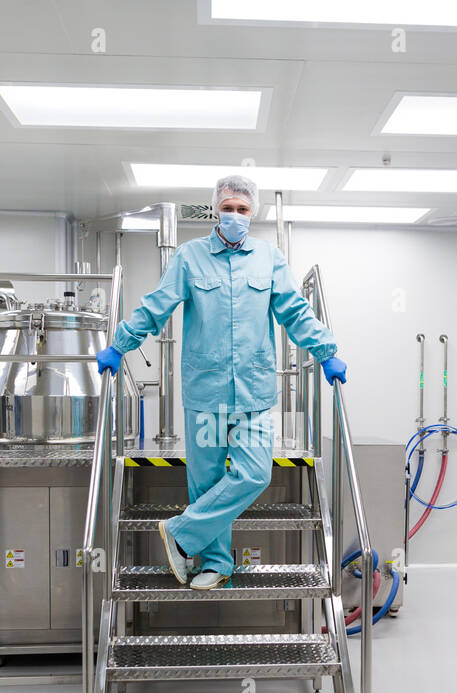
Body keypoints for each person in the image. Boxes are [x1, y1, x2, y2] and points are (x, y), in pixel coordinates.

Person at [96, 174, 348, 589]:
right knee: (208, 482)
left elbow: (294, 311)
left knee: (253, 474)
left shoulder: (269, 258)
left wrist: (326, 351)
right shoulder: (190, 257)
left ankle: (180, 532)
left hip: (253, 392)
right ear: (216, 209)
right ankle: (214, 564)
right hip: (206, 391)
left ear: (254, 213)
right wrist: (120, 344)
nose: (235, 215)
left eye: (243, 209)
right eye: (228, 208)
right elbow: (157, 306)